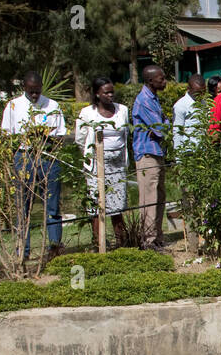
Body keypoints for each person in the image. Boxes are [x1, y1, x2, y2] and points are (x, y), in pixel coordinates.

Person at [0, 70, 67, 260]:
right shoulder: (13, 106)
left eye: (38, 91)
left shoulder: (52, 105)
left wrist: (44, 137)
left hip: (48, 158)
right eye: (31, 92)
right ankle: (24, 251)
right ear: (24, 88)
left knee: (52, 206)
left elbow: (60, 134)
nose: (35, 95)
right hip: (24, 157)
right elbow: (7, 135)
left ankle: (54, 248)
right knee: (24, 207)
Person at [76, 76, 129, 245]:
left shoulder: (123, 110)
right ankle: (99, 243)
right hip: (97, 166)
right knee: (97, 203)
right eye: (106, 92)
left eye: (112, 92)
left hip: (118, 164)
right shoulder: (87, 113)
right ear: (97, 94)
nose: (110, 95)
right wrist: (92, 155)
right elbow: (80, 138)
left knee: (118, 203)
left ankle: (122, 241)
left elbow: (126, 133)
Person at [131, 65, 170, 248]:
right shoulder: (144, 101)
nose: (164, 81)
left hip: (158, 152)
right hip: (147, 154)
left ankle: (158, 236)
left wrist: (163, 124)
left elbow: (165, 124)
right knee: (149, 198)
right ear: (150, 81)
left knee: (160, 196)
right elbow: (160, 128)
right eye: (161, 79)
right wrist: (163, 124)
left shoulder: (154, 99)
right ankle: (148, 240)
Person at [172, 73, 205, 159]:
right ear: (189, 89)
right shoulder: (180, 105)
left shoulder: (204, 103)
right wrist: (178, 159)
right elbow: (177, 132)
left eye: (202, 92)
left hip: (203, 151)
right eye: (197, 93)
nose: (200, 96)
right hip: (188, 152)